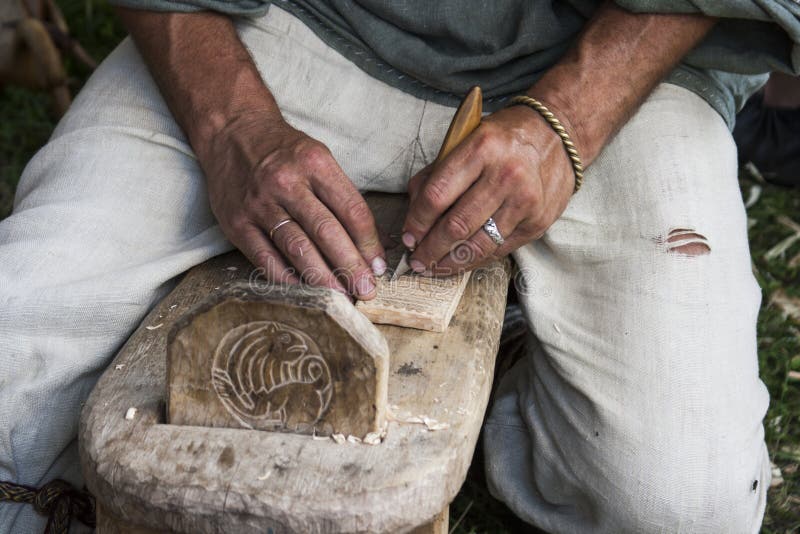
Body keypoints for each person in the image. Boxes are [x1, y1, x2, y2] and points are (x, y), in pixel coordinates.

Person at [1, 0, 798, 532]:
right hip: (287, 24)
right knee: (13, 364)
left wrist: (569, 124)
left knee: (679, 503)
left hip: (618, 61)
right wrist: (230, 125)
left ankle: (518, 374)